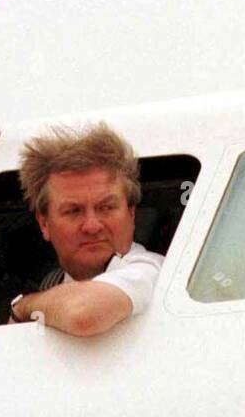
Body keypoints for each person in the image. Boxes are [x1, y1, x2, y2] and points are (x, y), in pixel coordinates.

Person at [9, 122, 164, 335]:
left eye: (106, 207)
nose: (92, 226)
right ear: (44, 224)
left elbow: (83, 315)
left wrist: (23, 306)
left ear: (131, 214)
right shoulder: (52, 284)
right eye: (73, 211)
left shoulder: (149, 270)